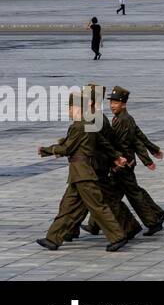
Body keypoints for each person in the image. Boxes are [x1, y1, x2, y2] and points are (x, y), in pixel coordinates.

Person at [35, 89, 131, 252]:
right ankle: (53, 239)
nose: (69, 111)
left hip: (83, 173)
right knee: (68, 207)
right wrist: (116, 156)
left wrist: (46, 150)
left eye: (70, 107)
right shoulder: (89, 124)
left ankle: (117, 236)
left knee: (97, 206)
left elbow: (67, 148)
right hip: (79, 174)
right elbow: (103, 143)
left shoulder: (79, 126)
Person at [106, 86, 164, 236]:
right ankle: (95, 224)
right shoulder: (123, 118)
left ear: (124, 104)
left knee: (132, 194)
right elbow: (140, 136)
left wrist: (116, 162)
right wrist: (153, 150)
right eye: (111, 102)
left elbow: (125, 142)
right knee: (116, 193)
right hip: (125, 162)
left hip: (123, 164)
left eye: (116, 103)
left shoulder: (123, 120)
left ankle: (153, 221)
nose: (112, 105)